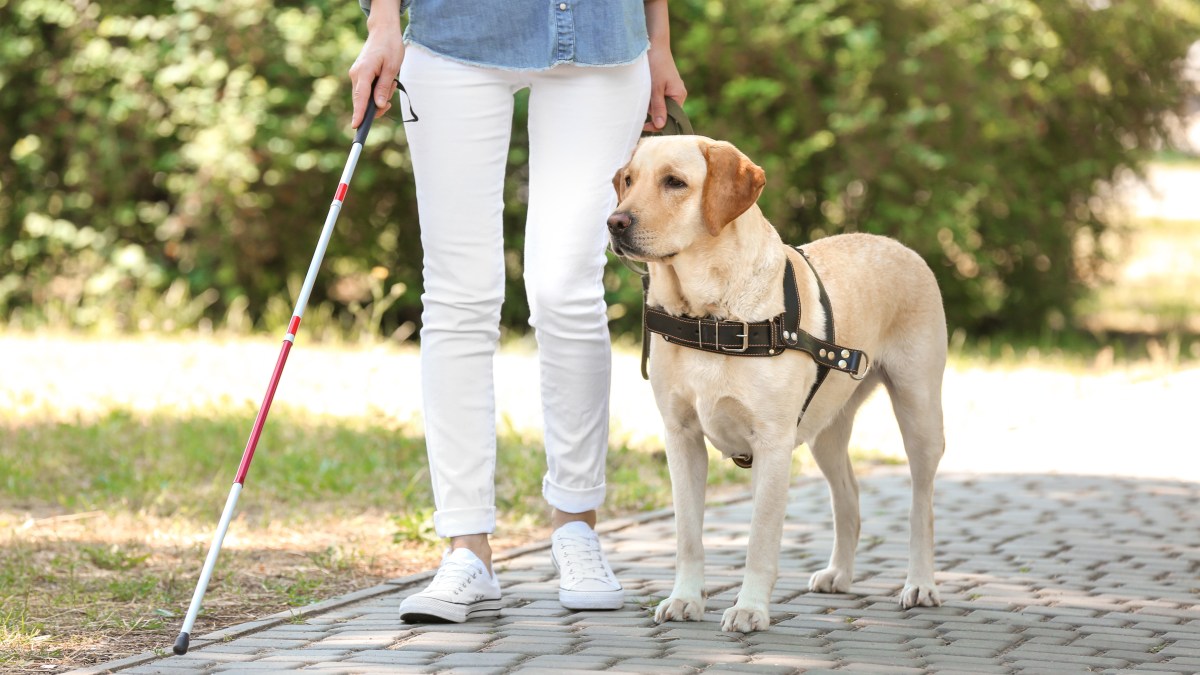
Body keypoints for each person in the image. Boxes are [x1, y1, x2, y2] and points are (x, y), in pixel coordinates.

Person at [349, 0, 686, 623]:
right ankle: (465, 547)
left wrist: (658, 41)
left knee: (566, 286)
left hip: (603, 37)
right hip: (454, 34)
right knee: (458, 293)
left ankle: (576, 528)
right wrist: (382, 25)